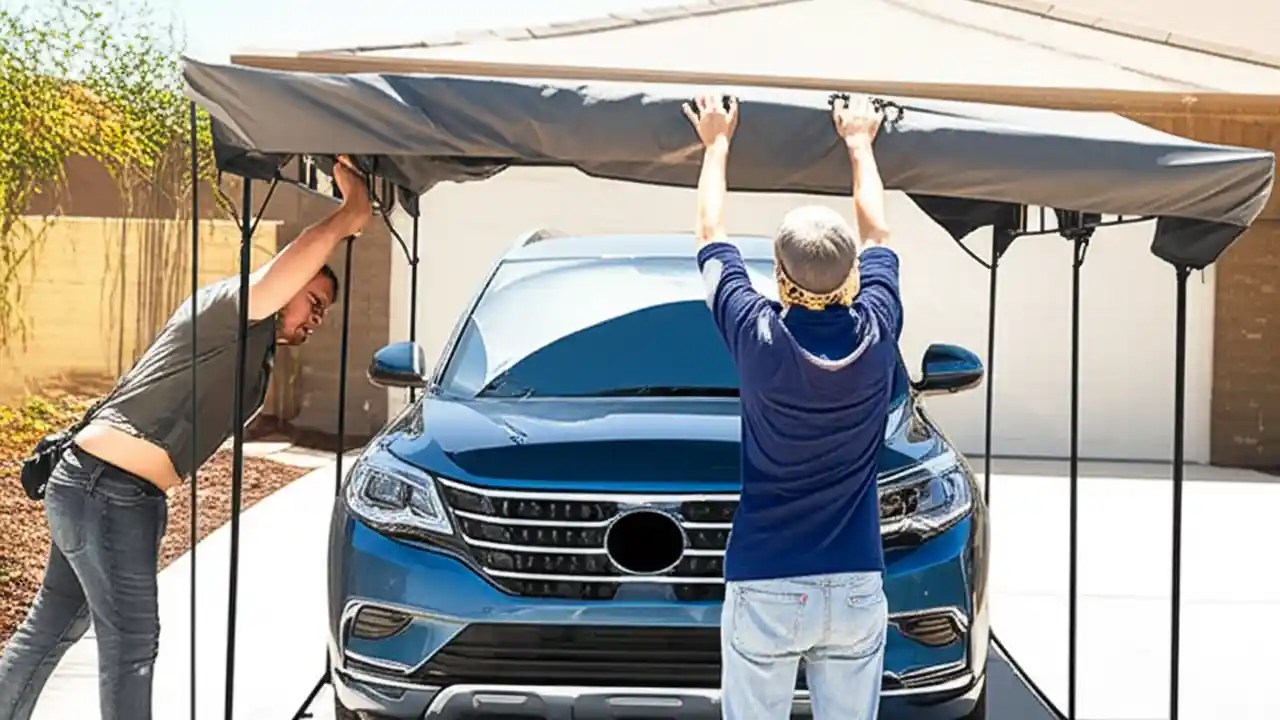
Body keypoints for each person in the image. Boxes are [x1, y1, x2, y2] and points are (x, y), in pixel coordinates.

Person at [0, 157, 373, 720]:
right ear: (288, 280)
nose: (315, 318)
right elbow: (296, 261)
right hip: (106, 490)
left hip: (110, 491)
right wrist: (348, 215)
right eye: (313, 302)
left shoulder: (255, 350)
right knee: (131, 644)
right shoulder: (232, 307)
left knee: (53, 628)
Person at [682, 93, 900, 720]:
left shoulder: (758, 337)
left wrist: (717, 141)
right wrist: (859, 140)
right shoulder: (878, 328)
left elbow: (709, 234)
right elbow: (878, 230)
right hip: (857, 579)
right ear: (855, 275)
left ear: (779, 278)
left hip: (769, 579)